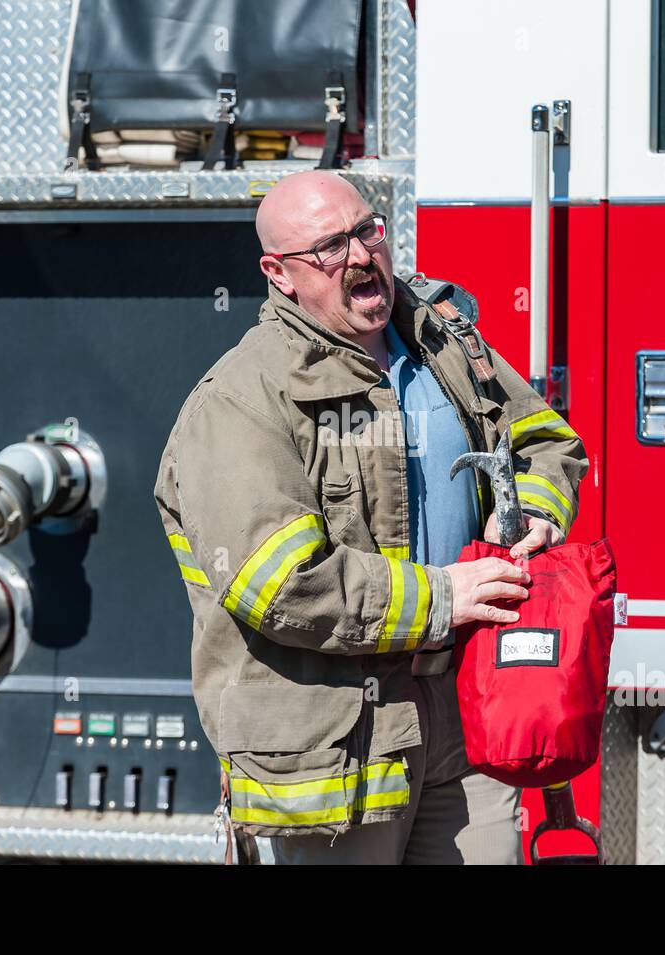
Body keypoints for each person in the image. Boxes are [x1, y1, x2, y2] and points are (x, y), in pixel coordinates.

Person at [154, 170, 587, 864]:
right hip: (333, 753)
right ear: (280, 273)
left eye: (366, 231)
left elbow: (543, 441)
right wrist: (443, 597)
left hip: (464, 714)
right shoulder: (240, 402)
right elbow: (282, 582)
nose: (359, 255)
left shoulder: (440, 340)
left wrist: (530, 515)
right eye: (328, 246)